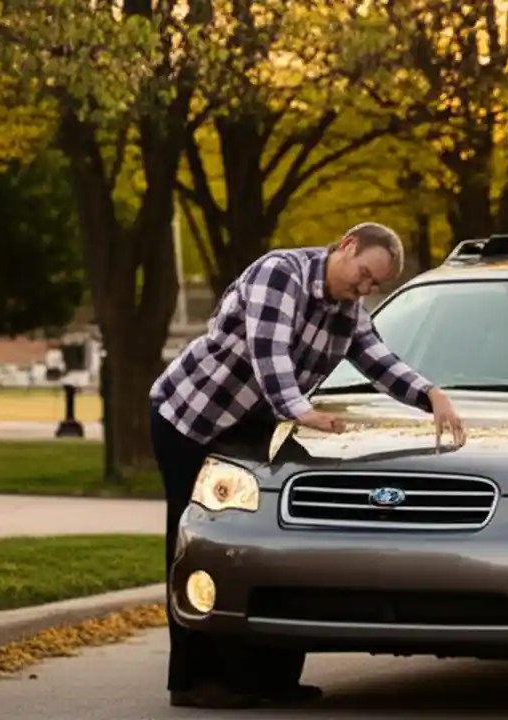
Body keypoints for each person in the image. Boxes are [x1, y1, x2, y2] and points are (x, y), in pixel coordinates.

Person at [148, 222, 466, 708]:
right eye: (361, 274)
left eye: (372, 286)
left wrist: (431, 395)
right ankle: (193, 681)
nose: (362, 289)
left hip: (250, 427)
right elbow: (268, 354)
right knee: (198, 543)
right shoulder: (281, 275)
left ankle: (264, 678)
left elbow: (378, 360)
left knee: (261, 543)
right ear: (346, 246)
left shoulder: (347, 310)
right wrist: (301, 411)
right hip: (191, 420)